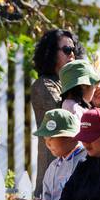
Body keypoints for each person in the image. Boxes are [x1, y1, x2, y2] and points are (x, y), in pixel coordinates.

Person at [30, 29, 81, 179]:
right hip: (52, 173)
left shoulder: (71, 86)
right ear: (51, 53)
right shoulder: (44, 85)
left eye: (73, 50)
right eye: (66, 50)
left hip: (75, 168)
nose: (72, 54)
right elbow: (66, 119)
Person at [38, 107, 85, 200]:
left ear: (71, 137)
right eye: (45, 138)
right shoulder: (52, 167)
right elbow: (46, 199)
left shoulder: (86, 160)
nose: (47, 143)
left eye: (51, 138)